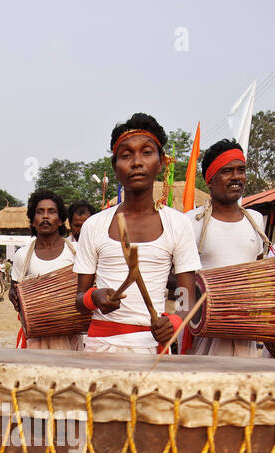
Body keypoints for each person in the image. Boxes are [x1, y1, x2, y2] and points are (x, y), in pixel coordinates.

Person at [74, 112, 200, 354]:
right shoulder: (94, 224)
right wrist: (94, 297)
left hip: (152, 349)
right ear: (115, 167)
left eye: (146, 152)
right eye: (126, 155)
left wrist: (174, 321)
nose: (137, 162)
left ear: (162, 162)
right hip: (99, 348)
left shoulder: (178, 223)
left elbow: (187, 299)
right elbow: (80, 299)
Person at [185, 138, 270, 357]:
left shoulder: (256, 220)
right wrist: (190, 312)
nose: (236, 177)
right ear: (210, 181)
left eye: (241, 170)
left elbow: (258, 271)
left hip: (245, 330)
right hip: (202, 330)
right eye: (227, 171)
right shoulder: (190, 221)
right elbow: (175, 278)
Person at [10, 188, 79, 350]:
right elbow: (14, 288)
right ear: (33, 220)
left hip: (69, 337)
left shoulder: (76, 251)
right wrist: (13, 295)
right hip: (36, 339)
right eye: (40, 212)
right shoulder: (22, 255)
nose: (45, 216)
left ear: (61, 220)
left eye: (52, 212)